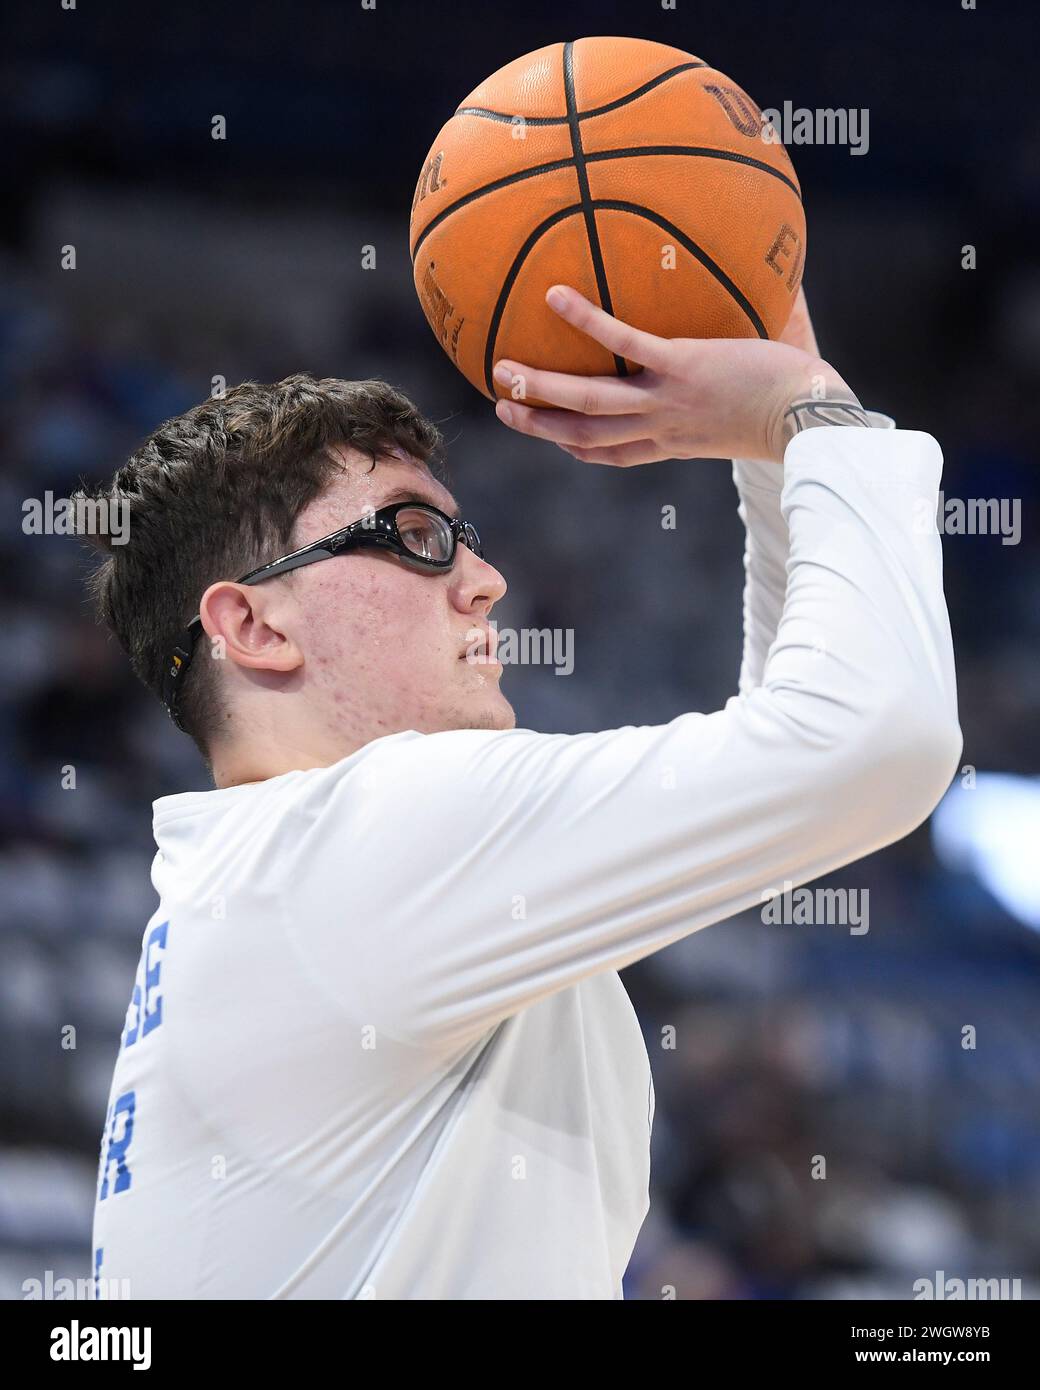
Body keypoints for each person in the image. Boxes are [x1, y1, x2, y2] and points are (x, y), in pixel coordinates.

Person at [81, 286, 961, 1299]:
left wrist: (776, 451)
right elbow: (869, 740)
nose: (486, 578)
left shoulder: (283, 873)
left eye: (467, 535)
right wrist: (808, 413)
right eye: (415, 536)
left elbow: (803, 761)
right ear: (256, 627)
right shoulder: (361, 838)